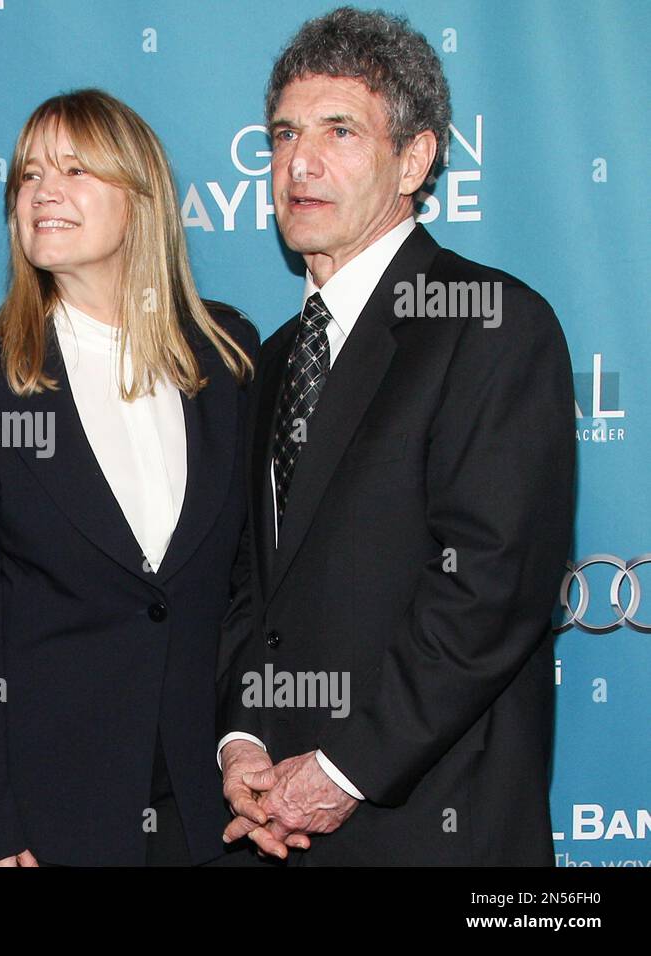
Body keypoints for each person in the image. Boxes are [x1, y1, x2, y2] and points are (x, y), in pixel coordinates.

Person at [217, 7, 575, 865]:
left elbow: (490, 589)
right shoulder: (269, 362)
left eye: (341, 130)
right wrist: (241, 741)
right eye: (283, 135)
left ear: (415, 159)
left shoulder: (489, 323)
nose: (299, 162)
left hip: (433, 821)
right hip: (273, 824)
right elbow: (244, 585)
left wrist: (342, 772)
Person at [0, 88, 258, 867]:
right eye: (30, 174)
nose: (44, 191)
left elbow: (251, 589)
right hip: (55, 811)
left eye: (75, 169)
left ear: (141, 199)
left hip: (212, 804)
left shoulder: (228, 355)